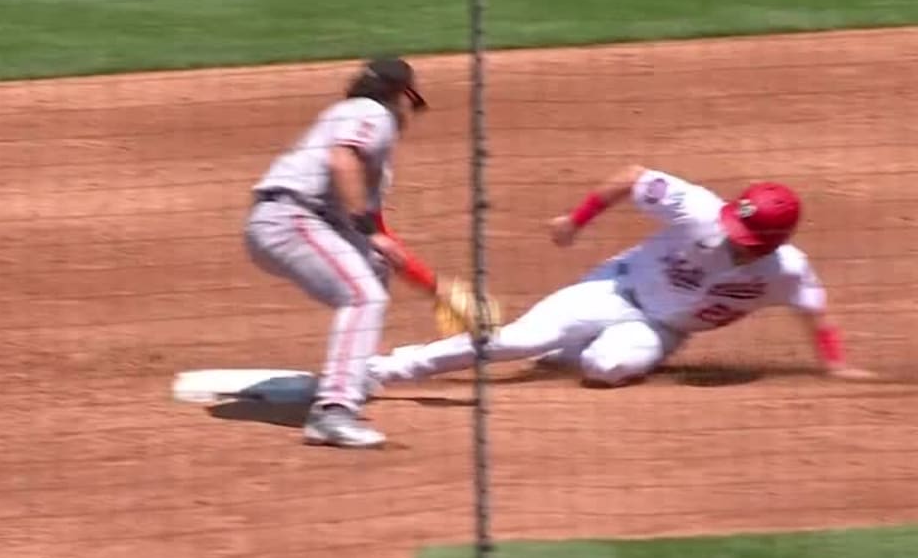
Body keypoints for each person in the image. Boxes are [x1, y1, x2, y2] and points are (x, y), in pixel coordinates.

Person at [368, 164, 875, 389]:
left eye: (745, 235)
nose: (731, 236)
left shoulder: (786, 270)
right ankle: (389, 369)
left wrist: (835, 366)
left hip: (661, 329)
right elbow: (633, 177)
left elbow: (815, 313)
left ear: (774, 242)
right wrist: (575, 221)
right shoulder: (700, 209)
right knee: (521, 340)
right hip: (616, 287)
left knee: (602, 368)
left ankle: (575, 351)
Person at [243, 57, 443, 449]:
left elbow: (380, 238)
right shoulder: (372, 113)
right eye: (410, 102)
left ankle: (352, 374)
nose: (409, 113)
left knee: (374, 267)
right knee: (363, 296)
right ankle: (334, 411)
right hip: (292, 219)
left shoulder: (353, 120)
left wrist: (436, 289)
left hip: (291, 220)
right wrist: (369, 231)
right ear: (400, 95)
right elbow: (342, 158)